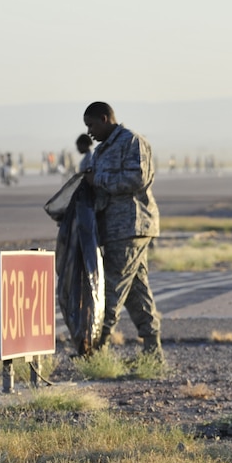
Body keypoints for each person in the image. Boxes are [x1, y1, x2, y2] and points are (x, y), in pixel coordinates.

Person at [82, 101, 163, 360]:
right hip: (116, 229)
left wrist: (99, 180)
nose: (89, 132)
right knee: (137, 291)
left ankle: (97, 348)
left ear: (105, 119)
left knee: (112, 287)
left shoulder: (132, 142)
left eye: (92, 125)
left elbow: (138, 179)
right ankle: (153, 350)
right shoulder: (103, 150)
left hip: (131, 226)